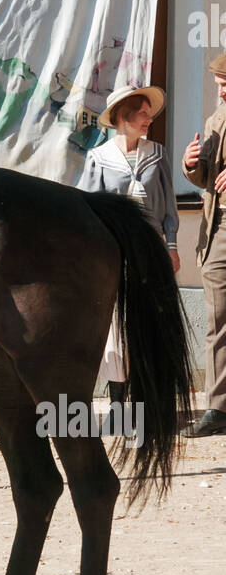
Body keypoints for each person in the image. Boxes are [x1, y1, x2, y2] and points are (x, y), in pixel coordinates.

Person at [80, 85, 179, 416]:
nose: (149, 118)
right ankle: (119, 406)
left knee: (151, 321)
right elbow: (91, 210)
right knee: (117, 329)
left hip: (152, 253)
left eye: (149, 113)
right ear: (123, 116)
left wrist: (172, 246)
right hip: (117, 254)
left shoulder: (159, 155)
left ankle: (149, 403)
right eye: (142, 113)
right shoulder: (99, 158)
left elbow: (168, 207)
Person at [182, 53, 226, 437]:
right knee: (218, 321)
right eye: (218, 83)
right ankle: (217, 406)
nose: (221, 90)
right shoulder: (216, 119)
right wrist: (190, 164)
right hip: (219, 229)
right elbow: (205, 178)